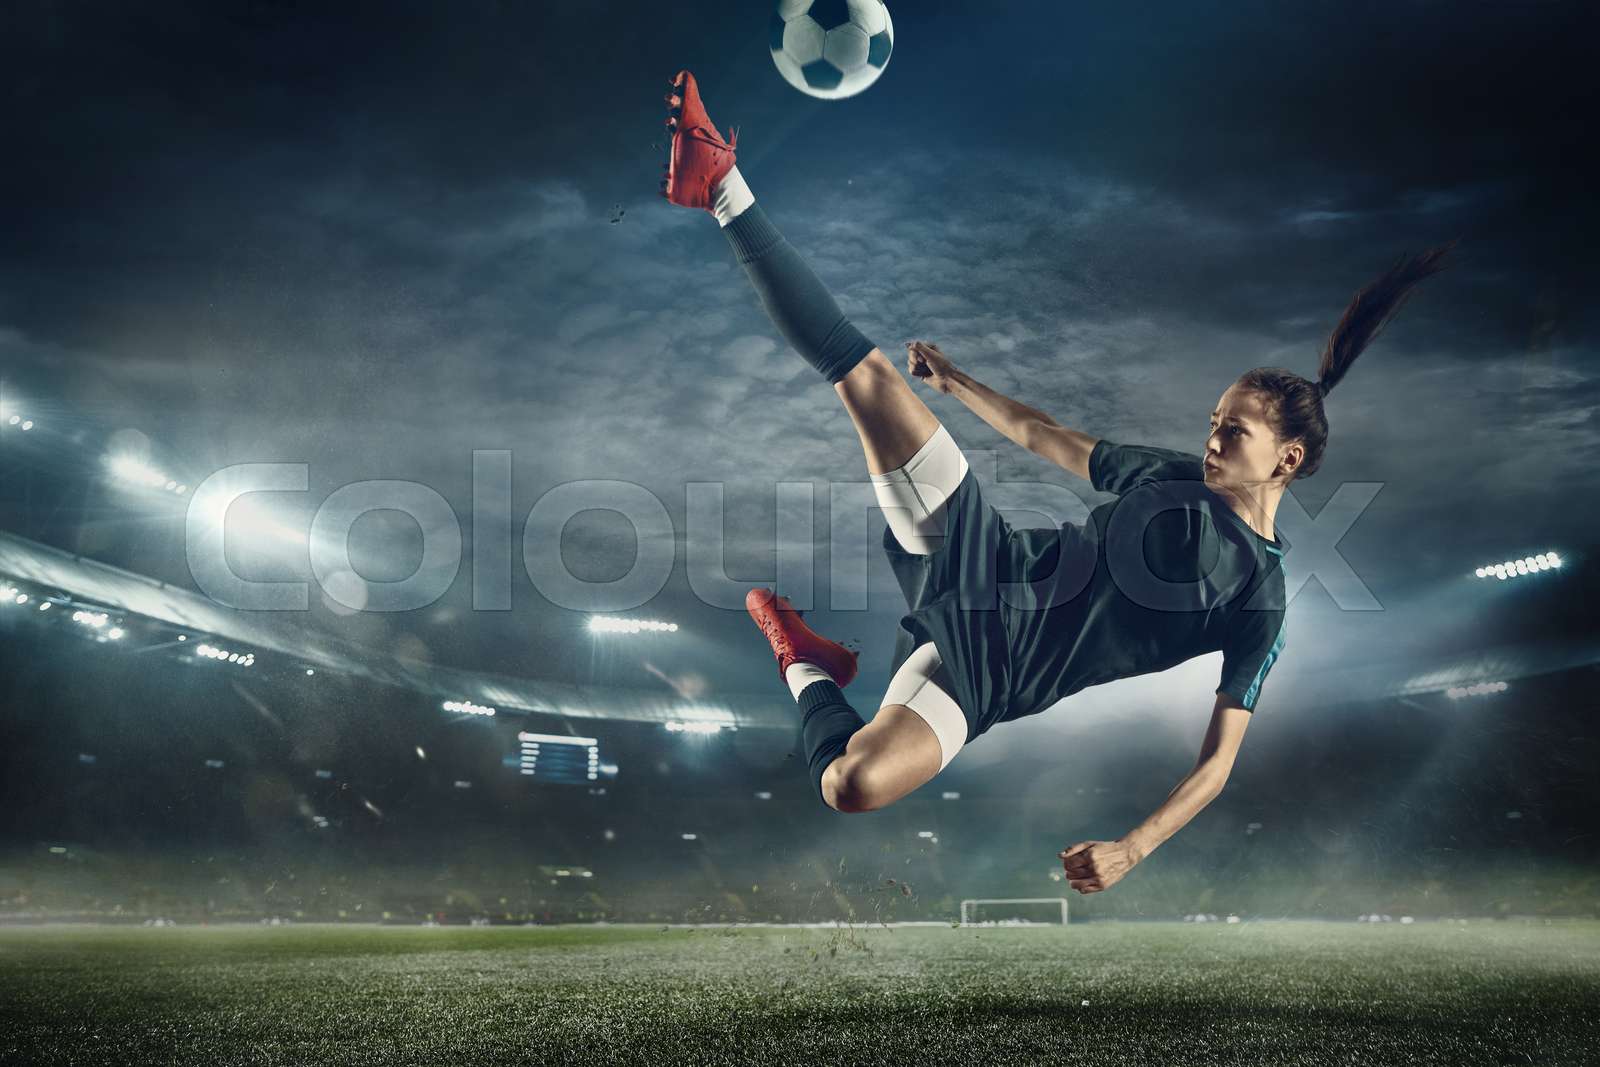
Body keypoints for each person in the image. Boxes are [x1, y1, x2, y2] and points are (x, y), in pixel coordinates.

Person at [658, 70, 1453, 893]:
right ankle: (720, 183)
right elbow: (1047, 436)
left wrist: (1132, 848)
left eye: (1234, 430)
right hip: (983, 558)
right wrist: (957, 382)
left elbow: (1217, 763)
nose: (1211, 437)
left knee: (849, 785)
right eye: (1214, 418)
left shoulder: (1263, 597)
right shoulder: (1174, 475)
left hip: (999, 673)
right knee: (864, 378)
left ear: (1286, 460)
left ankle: (804, 659)